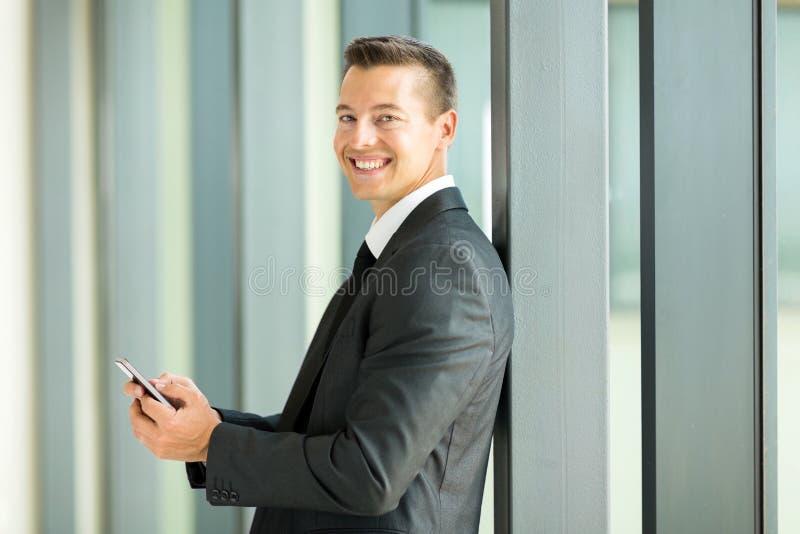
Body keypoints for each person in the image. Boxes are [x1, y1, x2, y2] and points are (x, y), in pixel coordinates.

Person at [124, 35, 514, 533]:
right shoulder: (405, 253)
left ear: (445, 130)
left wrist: (209, 444)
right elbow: (331, 435)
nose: (359, 139)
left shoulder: (441, 271)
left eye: (386, 117)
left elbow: (369, 472)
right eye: (347, 116)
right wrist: (209, 426)